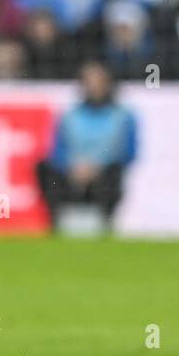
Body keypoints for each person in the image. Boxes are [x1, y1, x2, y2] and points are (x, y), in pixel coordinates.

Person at [35, 60, 137, 231]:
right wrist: (72, 166)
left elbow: (128, 152)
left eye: (98, 82)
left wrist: (97, 165)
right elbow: (58, 150)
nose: (93, 87)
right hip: (72, 172)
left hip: (104, 174)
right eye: (88, 82)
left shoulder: (122, 117)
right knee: (43, 167)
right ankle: (55, 221)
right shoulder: (70, 116)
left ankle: (105, 222)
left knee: (115, 172)